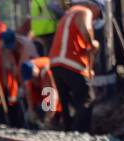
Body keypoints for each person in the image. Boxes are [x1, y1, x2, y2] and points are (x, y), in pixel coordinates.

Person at [49, 0, 99, 132]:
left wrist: (89, 69)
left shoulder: (68, 14)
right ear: (93, 6)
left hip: (56, 63)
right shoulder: (84, 12)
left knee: (65, 101)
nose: (96, 19)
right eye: (98, 14)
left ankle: (68, 132)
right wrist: (93, 43)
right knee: (86, 98)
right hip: (72, 62)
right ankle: (82, 133)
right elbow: (85, 30)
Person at [0, 30, 23, 128]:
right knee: (2, 123)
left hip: (12, 94)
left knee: (15, 121)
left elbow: (17, 71)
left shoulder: (15, 53)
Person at [22, 55, 60, 128]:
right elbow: (29, 91)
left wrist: (48, 117)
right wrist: (30, 109)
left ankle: (53, 121)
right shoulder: (28, 71)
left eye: (34, 78)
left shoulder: (46, 71)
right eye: (32, 79)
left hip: (55, 86)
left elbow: (53, 94)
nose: (34, 80)